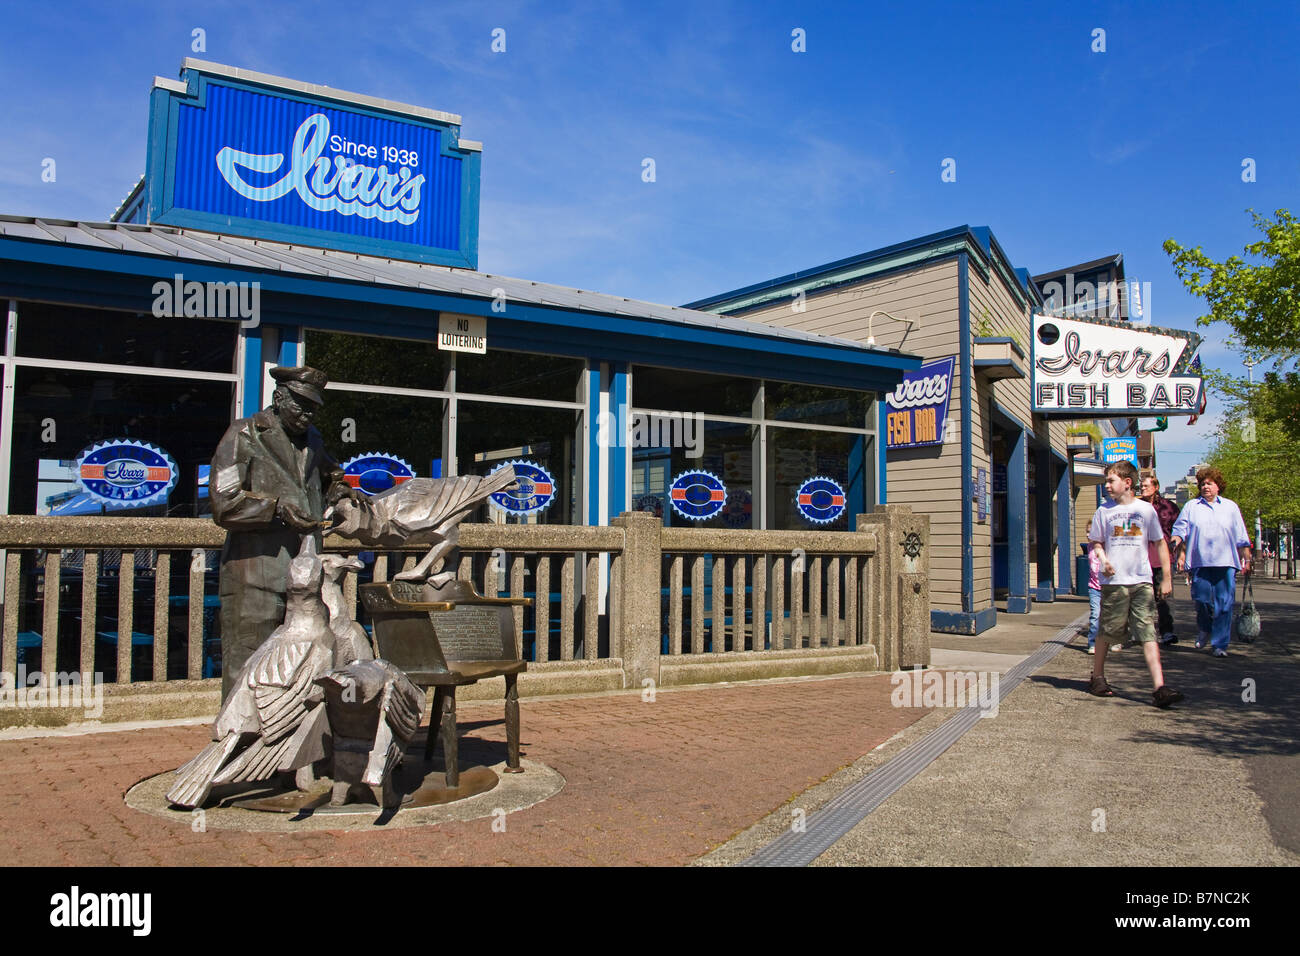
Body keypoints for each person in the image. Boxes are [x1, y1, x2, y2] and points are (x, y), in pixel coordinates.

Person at [210, 366, 357, 699]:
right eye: (301, 406)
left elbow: (329, 477)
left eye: (313, 409)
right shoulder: (244, 434)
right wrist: (276, 509)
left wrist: (341, 491)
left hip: (304, 578)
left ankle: (287, 745)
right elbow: (223, 502)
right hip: (255, 578)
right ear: (279, 398)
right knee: (247, 665)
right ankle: (238, 743)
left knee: (298, 668)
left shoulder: (313, 441)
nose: (307, 415)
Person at [1087, 460, 1183, 708]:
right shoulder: (1103, 511)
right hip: (1115, 582)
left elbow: (1160, 543)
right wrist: (1104, 560)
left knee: (1148, 632)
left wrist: (1167, 578)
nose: (1107, 485)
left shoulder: (1145, 511)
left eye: (1111, 480)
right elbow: (1096, 542)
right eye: (1107, 480)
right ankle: (1097, 677)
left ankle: (1159, 687)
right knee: (1108, 631)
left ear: (1127, 482)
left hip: (1141, 580)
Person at [1170, 466, 1252, 659]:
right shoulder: (1192, 506)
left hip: (1226, 562)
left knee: (1224, 604)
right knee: (1202, 601)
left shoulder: (1230, 507)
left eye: (1209, 483)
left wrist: (1247, 559)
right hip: (1200, 561)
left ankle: (1219, 644)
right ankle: (1205, 629)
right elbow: (1180, 528)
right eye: (1202, 484)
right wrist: (1176, 540)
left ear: (1218, 486)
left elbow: (1241, 536)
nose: (1205, 487)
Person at [1140, 470, 1180, 644]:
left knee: (1162, 597)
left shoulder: (1168, 507)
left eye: (1146, 486)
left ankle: (1166, 632)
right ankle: (1141, 632)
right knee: (1141, 597)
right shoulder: (1137, 506)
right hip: (1140, 557)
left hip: (1161, 556)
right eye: (1141, 486)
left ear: (1156, 487)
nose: (1143, 488)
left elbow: (1179, 531)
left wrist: (1181, 554)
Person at [1081, 542, 1103, 654]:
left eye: (1091, 531)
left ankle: (1115, 640)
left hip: (1108, 586)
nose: (1089, 534)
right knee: (1095, 614)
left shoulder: (1108, 544)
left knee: (1111, 615)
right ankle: (1092, 643)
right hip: (1094, 587)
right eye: (1087, 531)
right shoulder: (1089, 547)